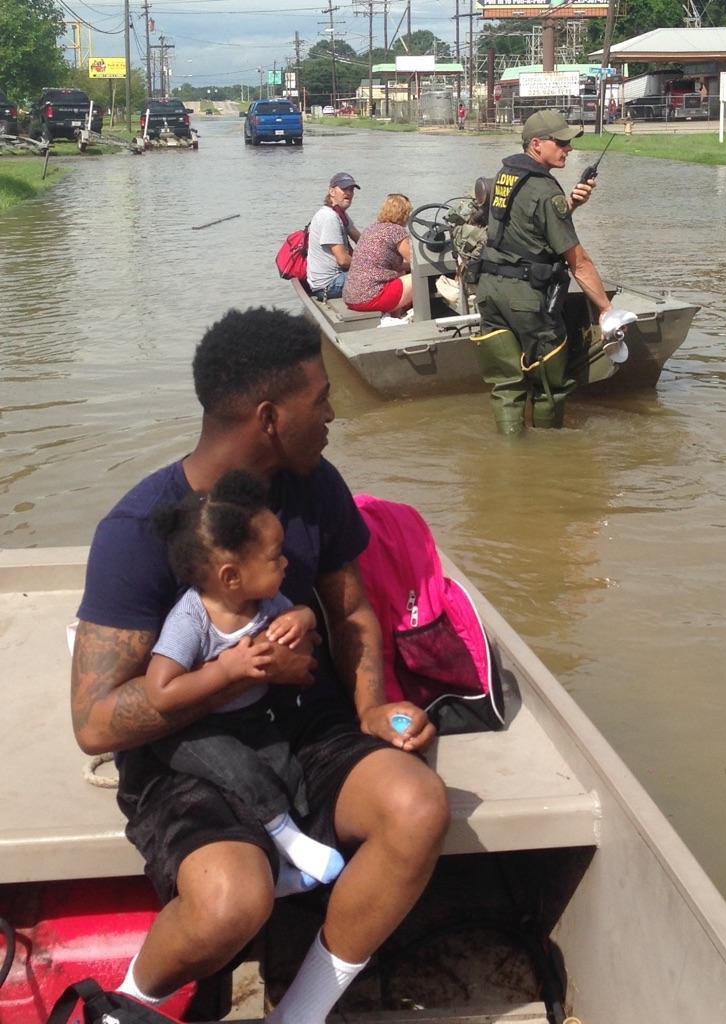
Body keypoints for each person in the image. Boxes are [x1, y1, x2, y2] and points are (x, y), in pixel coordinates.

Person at [71, 306, 450, 1017]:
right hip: (190, 757)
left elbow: (351, 612)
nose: (333, 414)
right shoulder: (138, 531)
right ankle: (126, 1001)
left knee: (418, 805)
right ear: (270, 419)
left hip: (308, 730)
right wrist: (233, 675)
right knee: (229, 903)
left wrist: (371, 706)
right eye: (321, 399)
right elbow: (95, 722)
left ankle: (301, 1012)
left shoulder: (315, 485)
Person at [145, 468, 343, 895]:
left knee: (285, 771)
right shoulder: (191, 619)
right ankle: (290, 842)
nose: (286, 562)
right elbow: (159, 692)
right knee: (242, 770)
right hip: (196, 731)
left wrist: (304, 616)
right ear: (231, 576)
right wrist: (226, 670)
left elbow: (303, 623)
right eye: (275, 557)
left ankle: (281, 867)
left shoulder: (267, 602)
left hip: (253, 719)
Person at [474, 108, 614, 432]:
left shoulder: (505, 175)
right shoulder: (546, 190)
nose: (568, 149)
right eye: (561, 143)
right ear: (537, 144)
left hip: (490, 290)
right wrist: (606, 309)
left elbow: (525, 229)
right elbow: (578, 262)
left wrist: (571, 205)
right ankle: (549, 454)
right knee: (549, 385)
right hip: (526, 297)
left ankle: (509, 451)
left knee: (506, 384)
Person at [342, 193, 413, 316]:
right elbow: (415, 262)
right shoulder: (397, 231)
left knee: (399, 273)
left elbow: (393, 266)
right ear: (404, 213)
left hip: (351, 298)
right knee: (418, 279)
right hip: (370, 298)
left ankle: (395, 319)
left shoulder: (371, 228)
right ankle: (423, 317)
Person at [306, 172, 362, 300]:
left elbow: (362, 240)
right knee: (385, 274)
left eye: (351, 190)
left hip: (336, 278)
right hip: (329, 285)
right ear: (331, 191)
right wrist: (372, 265)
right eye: (344, 189)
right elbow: (343, 260)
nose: (348, 193)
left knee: (384, 269)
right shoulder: (329, 217)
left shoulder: (339, 214)